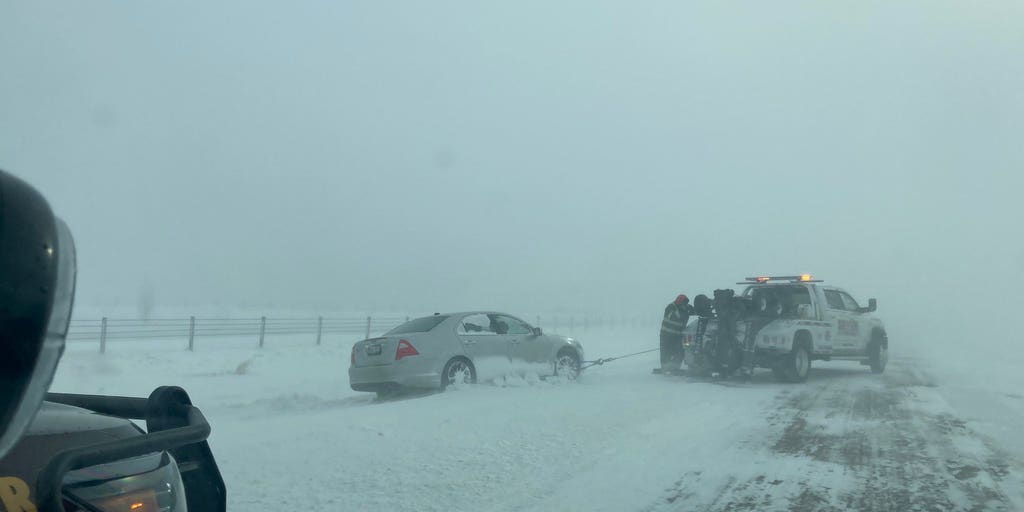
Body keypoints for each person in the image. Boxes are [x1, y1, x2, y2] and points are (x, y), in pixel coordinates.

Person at [659, 294, 692, 372]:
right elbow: (676, 316)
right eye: (683, 303)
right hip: (666, 335)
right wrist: (686, 310)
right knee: (666, 351)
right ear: (679, 301)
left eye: (686, 304)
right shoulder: (671, 307)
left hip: (678, 336)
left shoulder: (684, 309)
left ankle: (675, 366)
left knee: (680, 350)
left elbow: (691, 310)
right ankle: (665, 366)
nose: (685, 305)